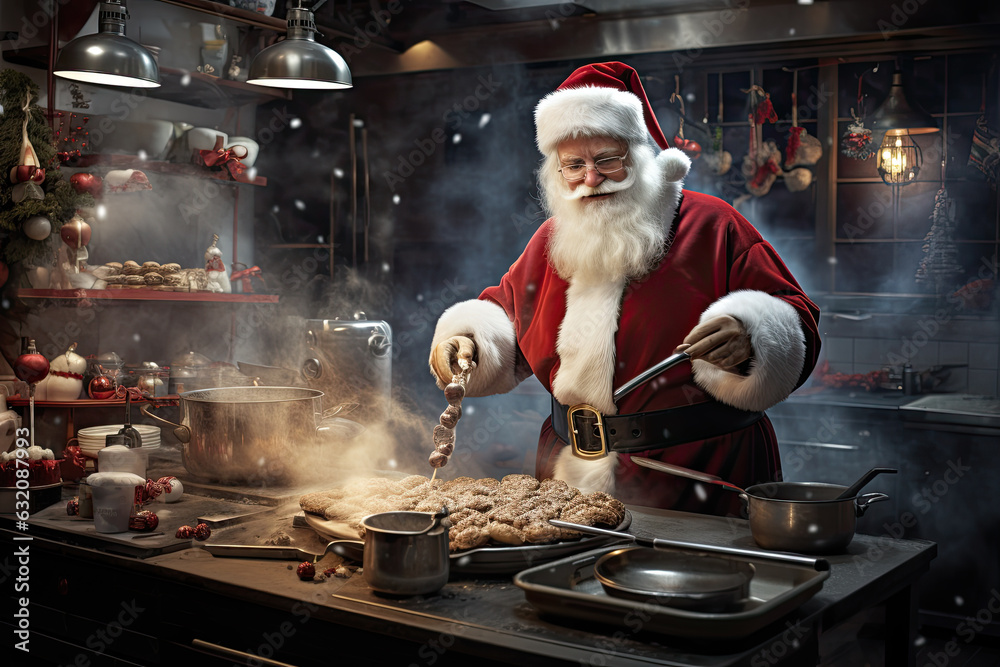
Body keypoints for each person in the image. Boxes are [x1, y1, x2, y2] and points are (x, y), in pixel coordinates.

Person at [428, 62, 821, 517]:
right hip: (566, 478)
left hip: (698, 470)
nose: (590, 178)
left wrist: (753, 338)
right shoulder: (553, 237)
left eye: (607, 160)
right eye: (574, 165)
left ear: (640, 155)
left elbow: (796, 318)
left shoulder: (713, 225)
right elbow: (505, 316)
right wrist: (467, 344)